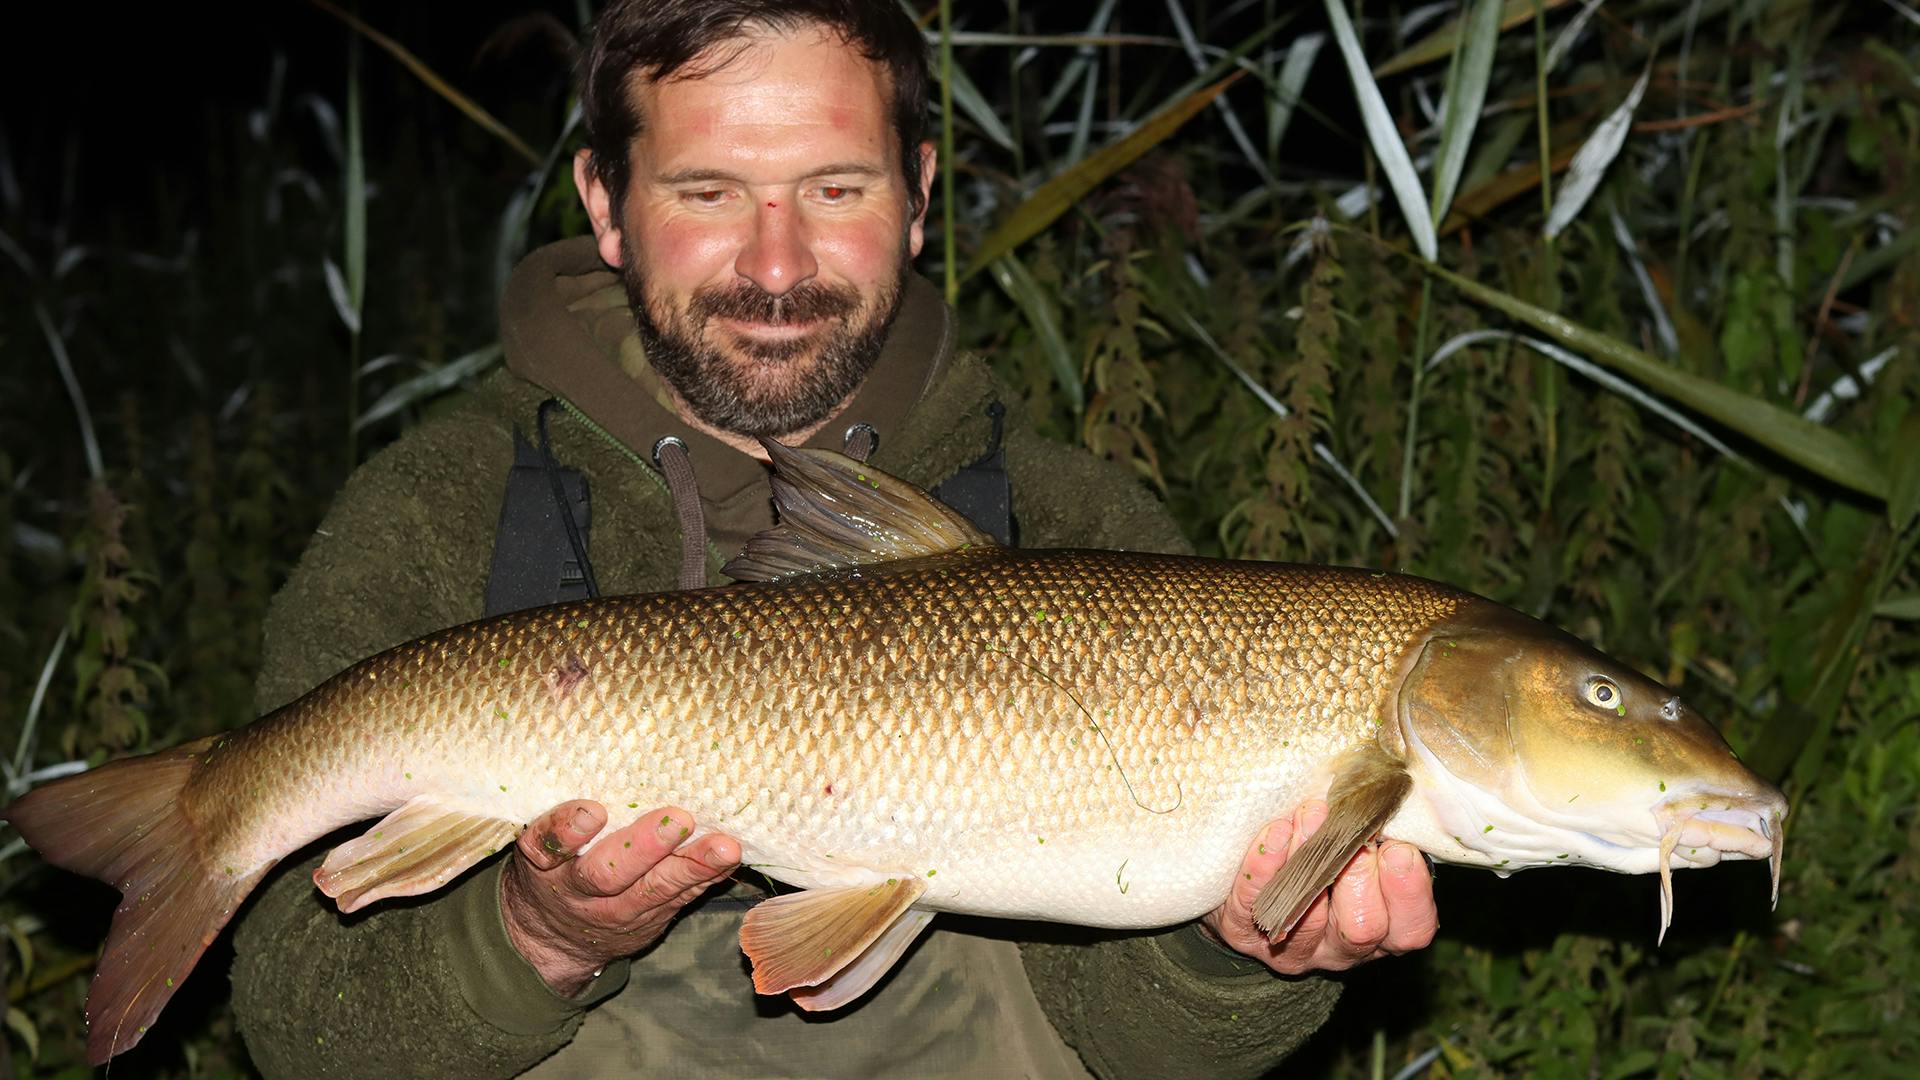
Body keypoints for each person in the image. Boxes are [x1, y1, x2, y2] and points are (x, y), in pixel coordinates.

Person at [228, 2, 1438, 1076]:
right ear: (604, 202)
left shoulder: (1074, 527)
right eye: (708, 193)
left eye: (835, 188)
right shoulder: (439, 513)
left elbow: (1136, 1048)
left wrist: (1246, 956)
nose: (775, 264)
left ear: (916, 195)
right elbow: (297, 1030)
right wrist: (538, 936)